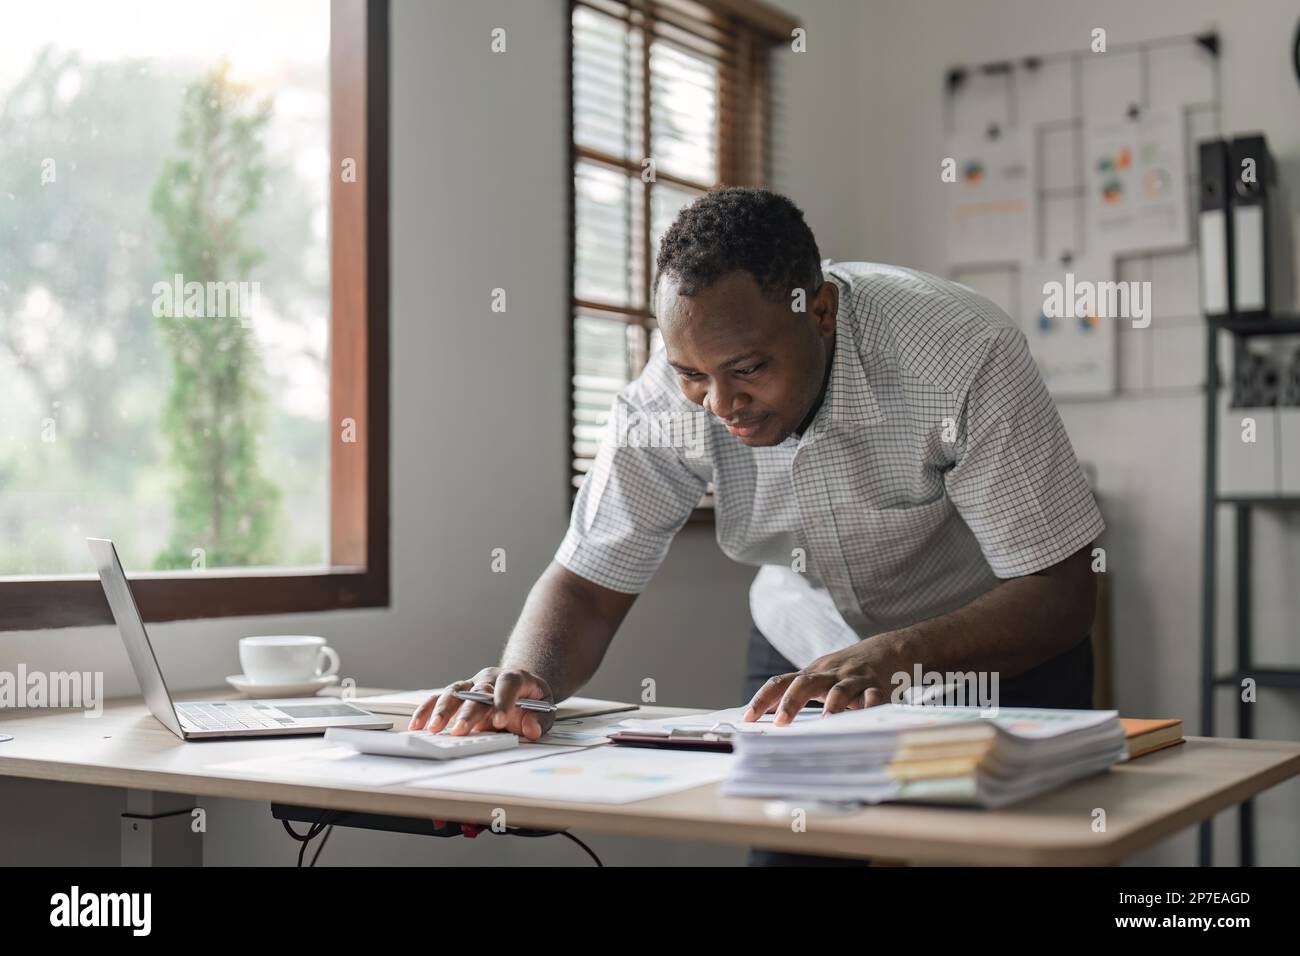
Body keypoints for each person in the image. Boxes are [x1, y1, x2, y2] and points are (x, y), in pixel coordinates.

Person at [410, 187, 1104, 866]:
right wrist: (526, 677)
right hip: (804, 649)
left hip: (992, 647)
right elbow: (589, 585)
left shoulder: (961, 352)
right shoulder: (666, 397)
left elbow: (1062, 589)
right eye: (692, 374)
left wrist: (896, 656)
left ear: (821, 311)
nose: (722, 404)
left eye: (748, 370)